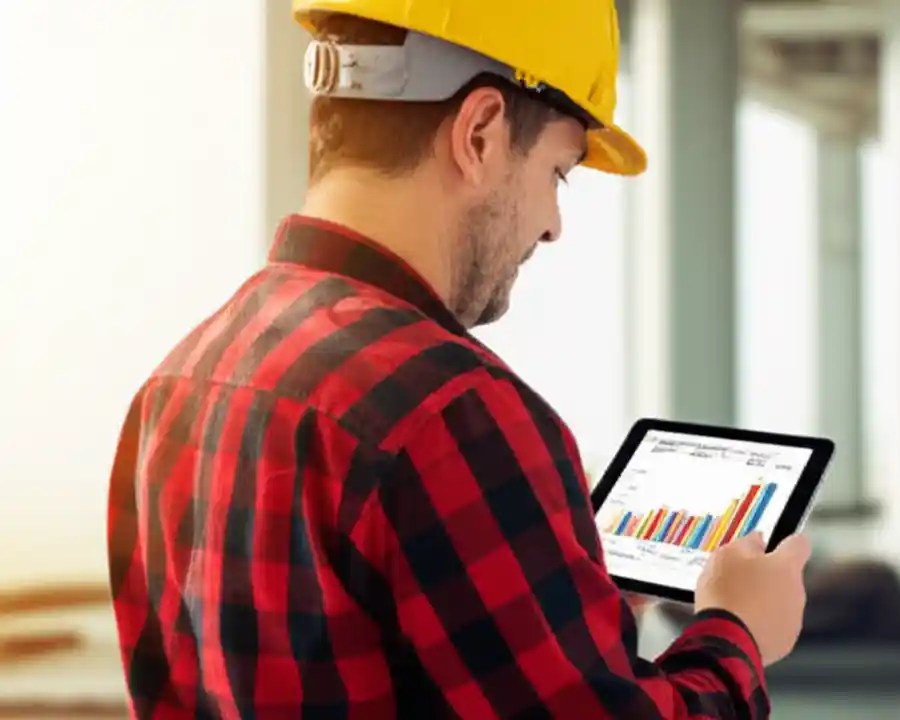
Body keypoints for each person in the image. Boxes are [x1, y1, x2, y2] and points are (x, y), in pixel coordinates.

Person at [107, 0, 811, 717]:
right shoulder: (452, 414)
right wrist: (739, 630)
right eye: (559, 173)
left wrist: (562, 593)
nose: (553, 225)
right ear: (479, 133)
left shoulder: (183, 379)